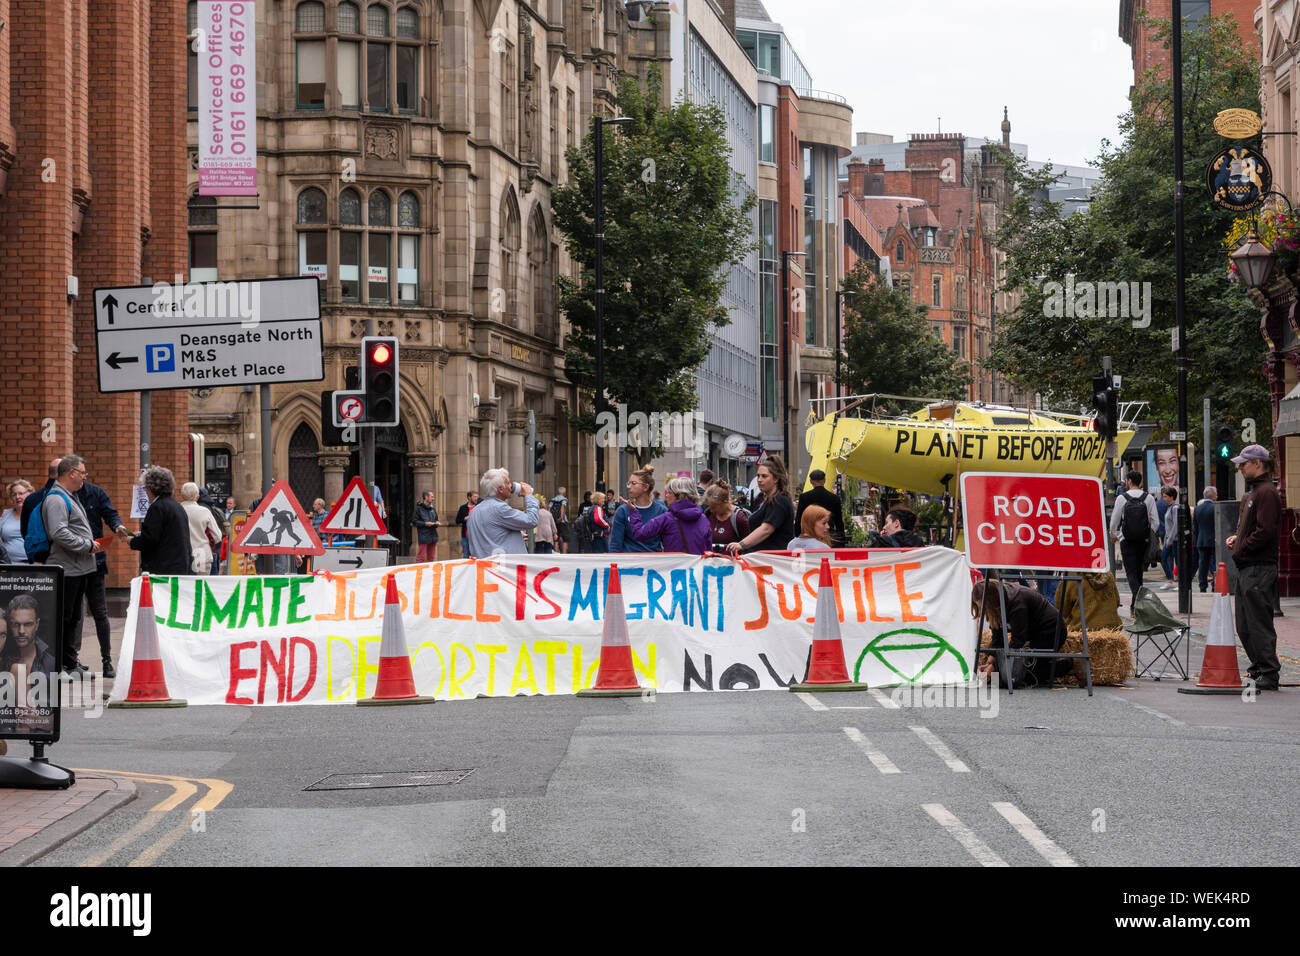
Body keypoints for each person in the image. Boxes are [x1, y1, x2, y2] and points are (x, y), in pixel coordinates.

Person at [1226, 445, 1281, 690]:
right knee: (1245, 624)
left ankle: (1268, 672)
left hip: (1258, 567)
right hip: (1250, 565)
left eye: (1244, 463)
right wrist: (1239, 541)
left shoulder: (1265, 492)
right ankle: (1260, 668)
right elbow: (1259, 530)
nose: (1240, 467)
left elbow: (1265, 531)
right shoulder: (1258, 491)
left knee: (1257, 623)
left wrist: (1242, 546)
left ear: (1257, 463)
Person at [41, 455, 102, 674]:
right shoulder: (57, 499)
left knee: (73, 618)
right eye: (83, 473)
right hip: (67, 569)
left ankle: (68, 661)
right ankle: (58, 665)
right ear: (71, 473)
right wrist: (86, 545)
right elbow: (59, 532)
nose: (85, 477)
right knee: (64, 618)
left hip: (77, 568)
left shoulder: (68, 496)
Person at [75, 464, 131, 675]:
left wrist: (117, 526)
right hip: (73, 562)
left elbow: (110, 513)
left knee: (100, 613)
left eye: (85, 474)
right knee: (73, 614)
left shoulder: (96, 493)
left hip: (95, 562)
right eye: (81, 473)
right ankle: (71, 660)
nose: (84, 477)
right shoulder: (62, 496)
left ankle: (107, 661)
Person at [973, 578, 1072, 689]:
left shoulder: (1017, 603)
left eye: (983, 607)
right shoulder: (997, 604)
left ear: (991, 602)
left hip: (1052, 631)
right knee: (1009, 674)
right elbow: (998, 638)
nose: (982, 611)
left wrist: (995, 667)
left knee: (1022, 674)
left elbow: (1018, 641)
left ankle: (1070, 664)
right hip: (1035, 634)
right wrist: (989, 663)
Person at [1108, 470, 1159, 612]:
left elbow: (1114, 520)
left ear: (1129, 481)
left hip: (1127, 540)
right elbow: (1156, 522)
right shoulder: (1148, 498)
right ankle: (1135, 607)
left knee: (1130, 572)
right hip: (1143, 540)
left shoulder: (1121, 498)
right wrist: (1148, 534)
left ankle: (1137, 602)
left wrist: (1115, 535)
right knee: (1139, 572)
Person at [129, 465, 194, 575]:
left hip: (162, 568)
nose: (145, 492)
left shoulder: (156, 508)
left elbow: (150, 540)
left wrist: (131, 541)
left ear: (151, 488)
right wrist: (140, 534)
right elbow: (167, 534)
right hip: (179, 565)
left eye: (145, 488)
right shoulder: (177, 506)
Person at [727, 457, 795, 555]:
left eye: (764, 476)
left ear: (776, 479)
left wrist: (741, 544)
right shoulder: (768, 500)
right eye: (758, 476)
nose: (759, 480)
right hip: (763, 557)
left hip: (772, 558)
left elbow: (766, 529)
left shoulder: (779, 500)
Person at [626, 477, 712, 554]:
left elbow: (639, 534)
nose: (666, 496)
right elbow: (708, 550)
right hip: (697, 566)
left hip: (675, 566)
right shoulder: (703, 519)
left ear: (679, 495)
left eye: (669, 493)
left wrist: (634, 511)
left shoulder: (667, 518)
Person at [466, 469, 538, 557]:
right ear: (500, 489)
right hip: (503, 564)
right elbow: (531, 520)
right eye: (508, 483)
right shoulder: (499, 508)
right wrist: (529, 496)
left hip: (484, 563)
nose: (511, 486)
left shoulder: (474, 512)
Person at [610, 466, 668, 552]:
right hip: (628, 559)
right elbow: (615, 544)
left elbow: (668, 543)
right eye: (628, 483)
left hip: (654, 559)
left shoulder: (662, 511)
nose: (628, 487)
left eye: (633, 483)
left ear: (645, 487)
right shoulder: (622, 511)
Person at [19, 459, 63, 560]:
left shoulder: (31, 499)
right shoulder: (66, 497)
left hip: (37, 555)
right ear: (62, 473)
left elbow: (25, 531)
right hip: (64, 556)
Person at [1053, 571, 1123, 631]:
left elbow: (1061, 608)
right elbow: (1117, 601)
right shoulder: (1108, 573)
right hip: (1111, 629)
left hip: (1081, 630)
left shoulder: (1072, 575)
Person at [795, 469, 846, 547]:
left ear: (811, 481)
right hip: (828, 537)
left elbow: (799, 519)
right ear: (824, 480)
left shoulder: (804, 497)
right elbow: (839, 522)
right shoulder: (834, 498)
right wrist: (841, 542)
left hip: (810, 537)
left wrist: (798, 537)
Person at [180, 482, 222, 575]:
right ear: (197, 497)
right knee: (200, 582)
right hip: (201, 553)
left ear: (182, 495)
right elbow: (218, 536)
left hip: (182, 555)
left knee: (184, 583)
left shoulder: (177, 510)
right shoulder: (204, 511)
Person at [703, 480, 750, 553]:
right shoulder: (708, 513)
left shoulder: (739, 518)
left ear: (725, 501)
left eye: (714, 507)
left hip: (732, 559)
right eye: (709, 506)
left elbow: (748, 547)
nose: (711, 510)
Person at [1193, 486, 1218, 592]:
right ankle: (1214, 585)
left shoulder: (1197, 508)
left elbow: (1195, 527)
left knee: (1202, 564)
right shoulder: (1215, 508)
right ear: (1214, 496)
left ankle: (1202, 586)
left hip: (1201, 540)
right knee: (1213, 564)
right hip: (1213, 540)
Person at [2, 479, 34, 563]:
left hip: (32, 563)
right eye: (14, 494)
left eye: (21, 493)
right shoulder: (5, 515)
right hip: (8, 563)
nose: (17, 497)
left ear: (29, 494)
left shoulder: (36, 514)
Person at [1159, 486, 1178, 588]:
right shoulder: (1169, 507)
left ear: (1171, 497)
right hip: (1169, 539)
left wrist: (1169, 540)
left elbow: (1175, 526)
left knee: (1177, 561)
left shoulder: (1174, 508)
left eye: (1166, 496)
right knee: (1164, 558)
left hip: (1174, 540)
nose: (1164, 499)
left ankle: (1177, 581)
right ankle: (1170, 580)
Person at [413, 491, 439, 562]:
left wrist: (436, 523)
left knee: (431, 558)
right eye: (432, 497)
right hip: (423, 536)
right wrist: (425, 524)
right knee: (421, 557)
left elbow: (436, 519)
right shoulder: (418, 509)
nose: (433, 499)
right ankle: (418, 569)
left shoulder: (433, 509)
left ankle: (430, 569)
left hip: (433, 536)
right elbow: (414, 522)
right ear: (426, 497)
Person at [455, 491, 478, 559]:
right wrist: (465, 518)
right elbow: (457, 521)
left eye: (477, 497)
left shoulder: (478, 507)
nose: (476, 498)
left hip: (476, 536)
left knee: (476, 556)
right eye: (474, 497)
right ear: (469, 497)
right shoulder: (463, 508)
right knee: (466, 555)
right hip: (466, 536)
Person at [550, 487, 569, 554]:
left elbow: (549, 508)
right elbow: (562, 507)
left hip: (554, 521)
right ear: (564, 493)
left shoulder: (553, 500)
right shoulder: (564, 499)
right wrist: (561, 517)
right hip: (562, 521)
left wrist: (551, 519)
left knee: (556, 539)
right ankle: (564, 554)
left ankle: (556, 553)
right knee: (565, 538)